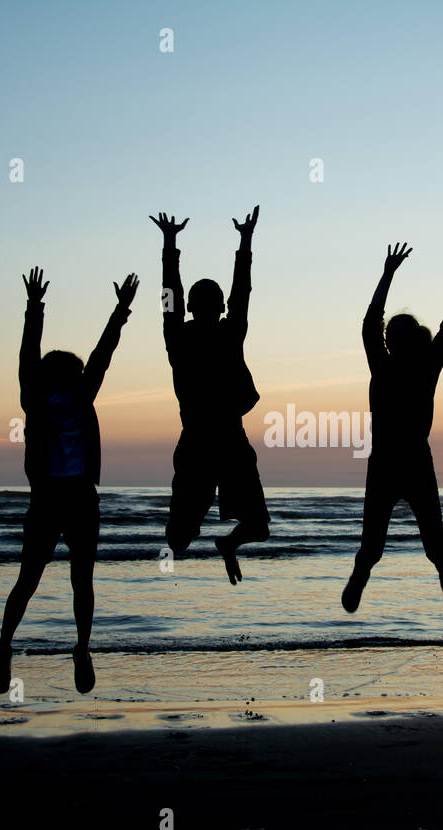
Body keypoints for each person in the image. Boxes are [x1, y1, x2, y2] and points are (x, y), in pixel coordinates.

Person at [0, 266, 139, 695]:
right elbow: (26, 355)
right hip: (47, 498)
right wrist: (34, 307)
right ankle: (4, 647)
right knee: (29, 578)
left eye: (76, 373)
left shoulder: (82, 396)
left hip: (81, 498)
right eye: (69, 371)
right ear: (53, 374)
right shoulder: (33, 399)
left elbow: (103, 354)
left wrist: (121, 309)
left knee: (82, 580)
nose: (75, 376)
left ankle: (82, 649)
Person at [342, 242, 443, 622]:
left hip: (416, 462)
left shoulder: (428, 364)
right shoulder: (380, 364)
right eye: (389, 338)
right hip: (383, 464)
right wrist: (388, 273)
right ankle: (359, 577)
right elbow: (370, 322)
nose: (390, 341)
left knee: (436, 544)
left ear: (412, 339)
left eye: (398, 336)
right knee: (372, 546)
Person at [150, 206, 270, 585]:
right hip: (201, 442)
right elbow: (174, 295)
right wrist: (243, 242)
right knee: (180, 538)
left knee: (257, 528)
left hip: (229, 440)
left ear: (217, 307)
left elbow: (236, 294)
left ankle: (225, 543)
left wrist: (172, 244)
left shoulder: (223, 334)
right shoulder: (181, 338)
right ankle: (199, 528)